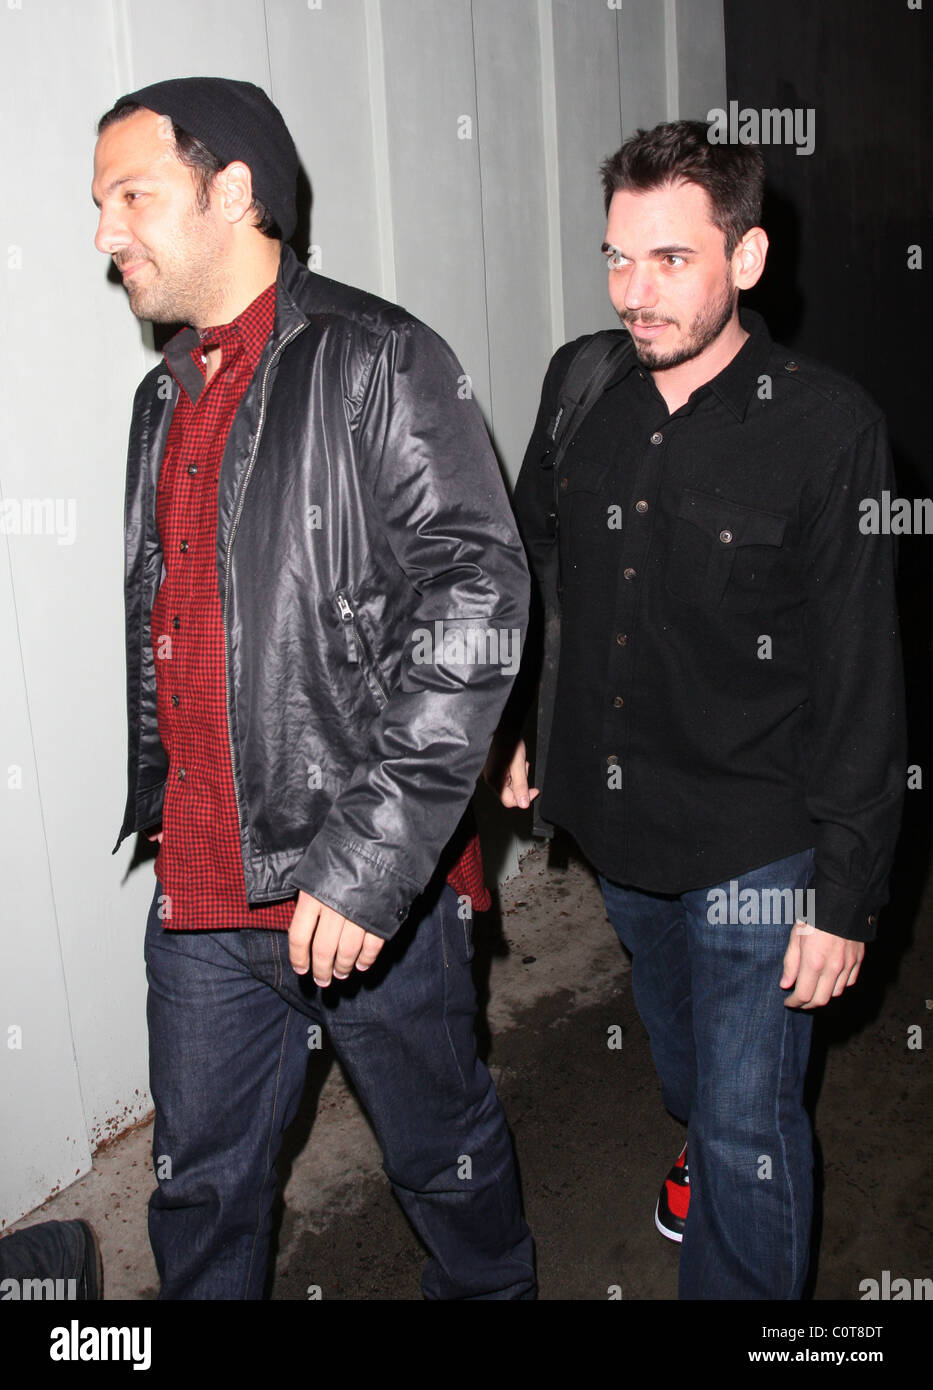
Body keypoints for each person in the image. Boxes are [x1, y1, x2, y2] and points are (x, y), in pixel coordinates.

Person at [92, 76, 535, 1300]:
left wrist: (367, 859)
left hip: (360, 884)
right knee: (200, 1189)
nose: (104, 232)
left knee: (443, 1164)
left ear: (234, 193)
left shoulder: (379, 358)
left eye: (134, 194)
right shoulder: (159, 397)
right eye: (98, 204)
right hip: (200, 889)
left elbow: (478, 603)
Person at [488, 119, 905, 1299]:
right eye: (617, 257)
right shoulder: (582, 388)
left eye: (670, 258)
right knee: (686, 1066)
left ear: (749, 258)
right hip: (620, 830)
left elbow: (866, 678)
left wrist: (845, 893)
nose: (635, 291)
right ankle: (706, 1137)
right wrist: (521, 718)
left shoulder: (829, 433)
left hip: (759, 839)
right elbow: (534, 564)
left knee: (747, 1125)